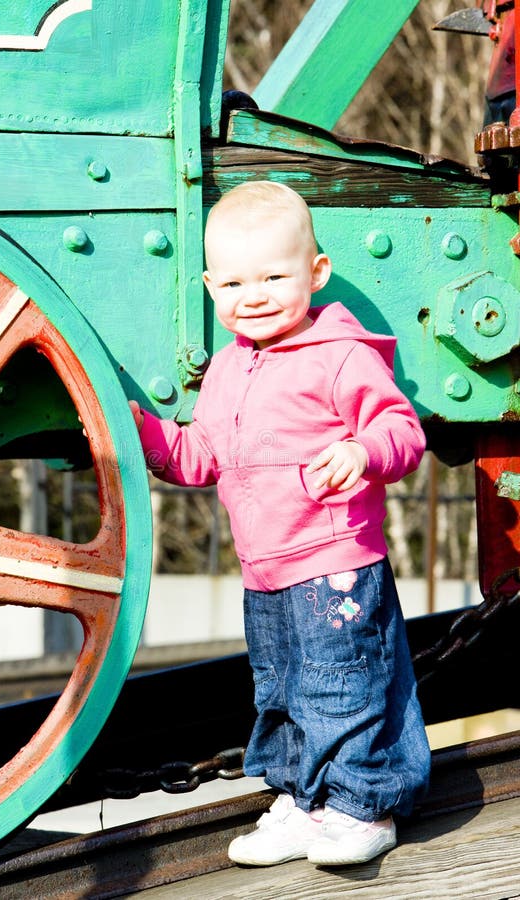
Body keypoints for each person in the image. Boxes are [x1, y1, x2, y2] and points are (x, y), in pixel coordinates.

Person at [129, 181, 431, 868]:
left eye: (273, 275)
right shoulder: (229, 369)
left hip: (335, 561)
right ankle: (303, 800)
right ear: (210, 286)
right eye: (234, 281)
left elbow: (401, 429)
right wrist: (139, 427)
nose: (254, 294)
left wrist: (362, 450)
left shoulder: (339, 354)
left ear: (315, 274)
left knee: (342, 684)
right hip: (264, 571)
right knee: (283, 687)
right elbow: (200, 457)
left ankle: (363, 805)